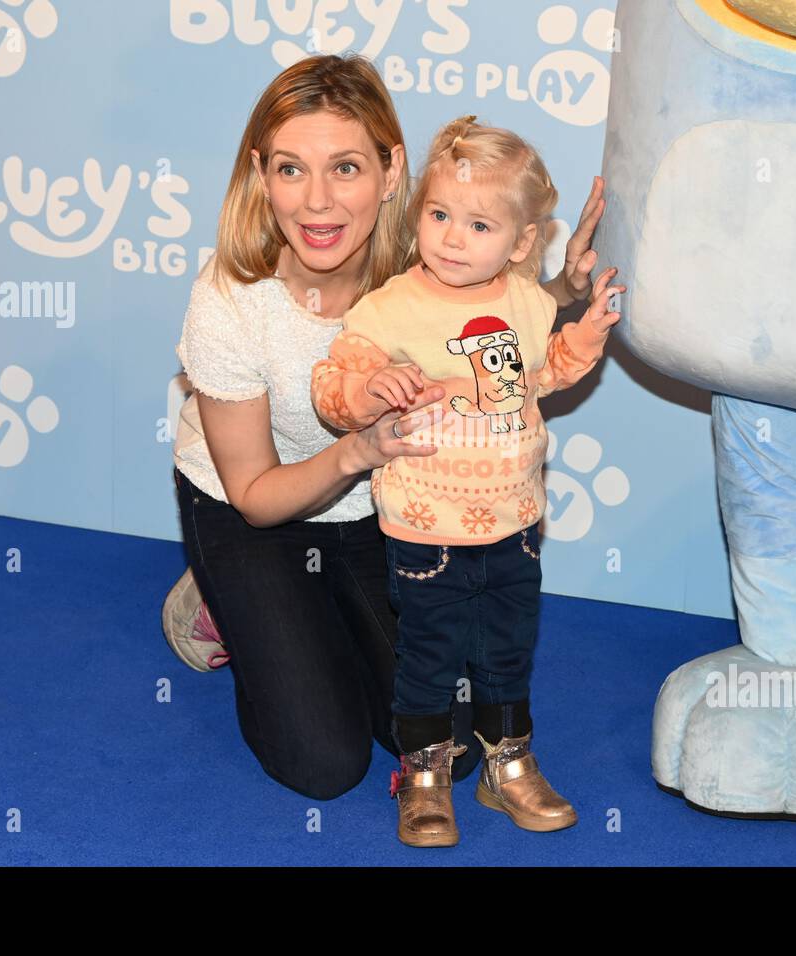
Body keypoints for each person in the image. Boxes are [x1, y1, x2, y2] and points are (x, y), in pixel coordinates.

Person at [167, 54, 607, 801]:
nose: (316, 203)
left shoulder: (432, 249)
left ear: (390, 167)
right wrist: (359, 448)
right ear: (258, 171)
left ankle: (316, 605)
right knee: (324, 765)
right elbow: (256, 495)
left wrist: (566, 285)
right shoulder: (230, 300)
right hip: (257, 509)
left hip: (387, 508)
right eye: (289, 169)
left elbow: (504, 318)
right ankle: (213, 599)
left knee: (455, 743)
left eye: (345, 168)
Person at [312, 115, 624, 845]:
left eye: (479, 225)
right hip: (426, 533)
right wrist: (370, 387)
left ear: (518, 244)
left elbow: (543, 375)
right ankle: (421, 778)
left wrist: (589, 330)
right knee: (427, 657)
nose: (453, 237)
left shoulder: (523, 300)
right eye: (440, 214)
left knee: (507, 651)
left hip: (515, 523)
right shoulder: (390, 307)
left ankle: (506, 764)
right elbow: (331, 386)